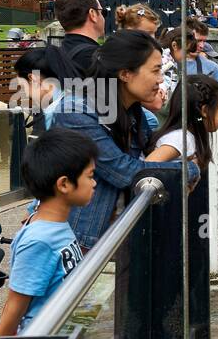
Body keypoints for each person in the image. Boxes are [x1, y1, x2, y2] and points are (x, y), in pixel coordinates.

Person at [46, 30, 171, 247]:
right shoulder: (76, 111)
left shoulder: (133, 113)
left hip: (110, 238)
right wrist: (187, 170)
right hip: (75, 241)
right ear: (125, 74)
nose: (161, 80)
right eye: (156, 70)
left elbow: (147, 158)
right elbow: (123, 171)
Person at [0, 129, 96, 335]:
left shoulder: (53, 223)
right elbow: (14, 307)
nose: (94, 183)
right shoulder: (39, 240)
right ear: (64, 184)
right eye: (90, 176)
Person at [147, 74, 218, 172]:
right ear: (205, 111)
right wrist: (187, 169)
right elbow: (147, 167)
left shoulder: (186, 137)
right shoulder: (181, 139)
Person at [54, 0, 105, 75]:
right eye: (102, 12)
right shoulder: (98, 60)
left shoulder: (55, 57)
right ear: (92, 14)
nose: (103, 17)